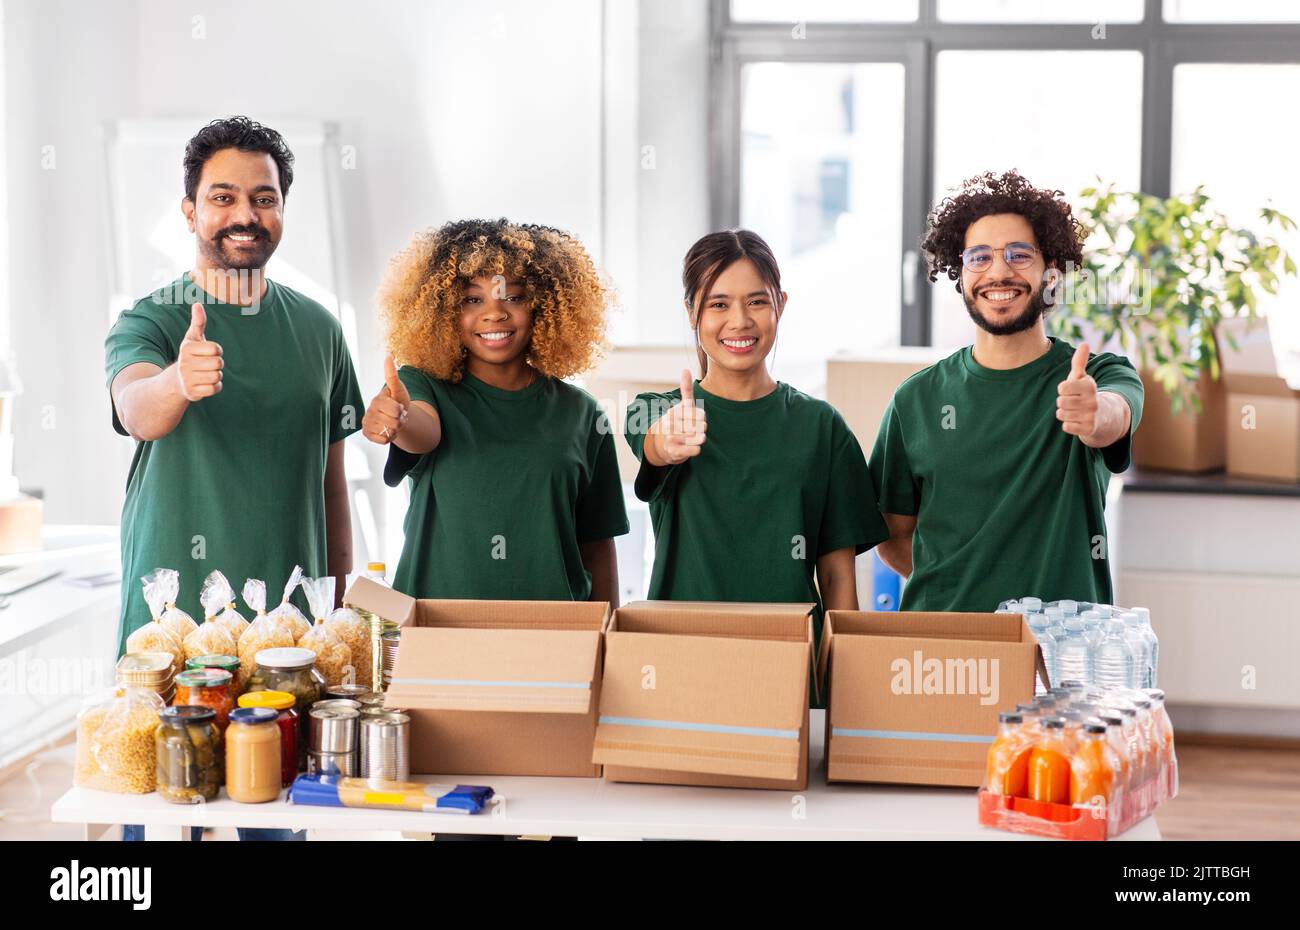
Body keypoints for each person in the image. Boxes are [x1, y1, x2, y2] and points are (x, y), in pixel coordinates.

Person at [105, 116, 364, 841]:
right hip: (171, 625)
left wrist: (333, 607)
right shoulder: (150, 320)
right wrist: (178, 384)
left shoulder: (320, 328)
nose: (245, 215)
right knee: (159, 812)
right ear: (189, 210)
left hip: (287, 628)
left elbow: (332, 478)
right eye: (223, 197)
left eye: (265, 197)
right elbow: (136, 409)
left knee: (277, 811)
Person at [869, 169, 1144, 612]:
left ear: (1051, 272)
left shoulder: (1100, 376)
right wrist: (960, 592)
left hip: (1061, 657)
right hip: (944, 655)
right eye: (979, 257)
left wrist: (1093, 415)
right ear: (959, 274)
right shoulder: (915, 400)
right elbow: (892, 536)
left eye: (1019, 255)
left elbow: (1114, 415)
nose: (999, 271)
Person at [623, 229, 887, 688]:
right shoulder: (659, 411)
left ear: (780, 305)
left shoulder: (822, 428)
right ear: (692, 313)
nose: (739, 321)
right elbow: (653, 441)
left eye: (757, 302)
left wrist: (842, 691)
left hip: (788, 674)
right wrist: (666, 445)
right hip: (678, 668)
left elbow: (838, 579)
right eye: (718, 304)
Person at [365, 217, 627, 605]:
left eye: (514, 297)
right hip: (438, 635)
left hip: (558, 638)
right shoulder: (423, 387)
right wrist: (399, 419)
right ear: (443, 310)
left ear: (545, 305)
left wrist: (610, 639)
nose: (495, 314)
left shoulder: (583, 414)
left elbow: (597, 544)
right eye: (473, 299)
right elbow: (423, 432)